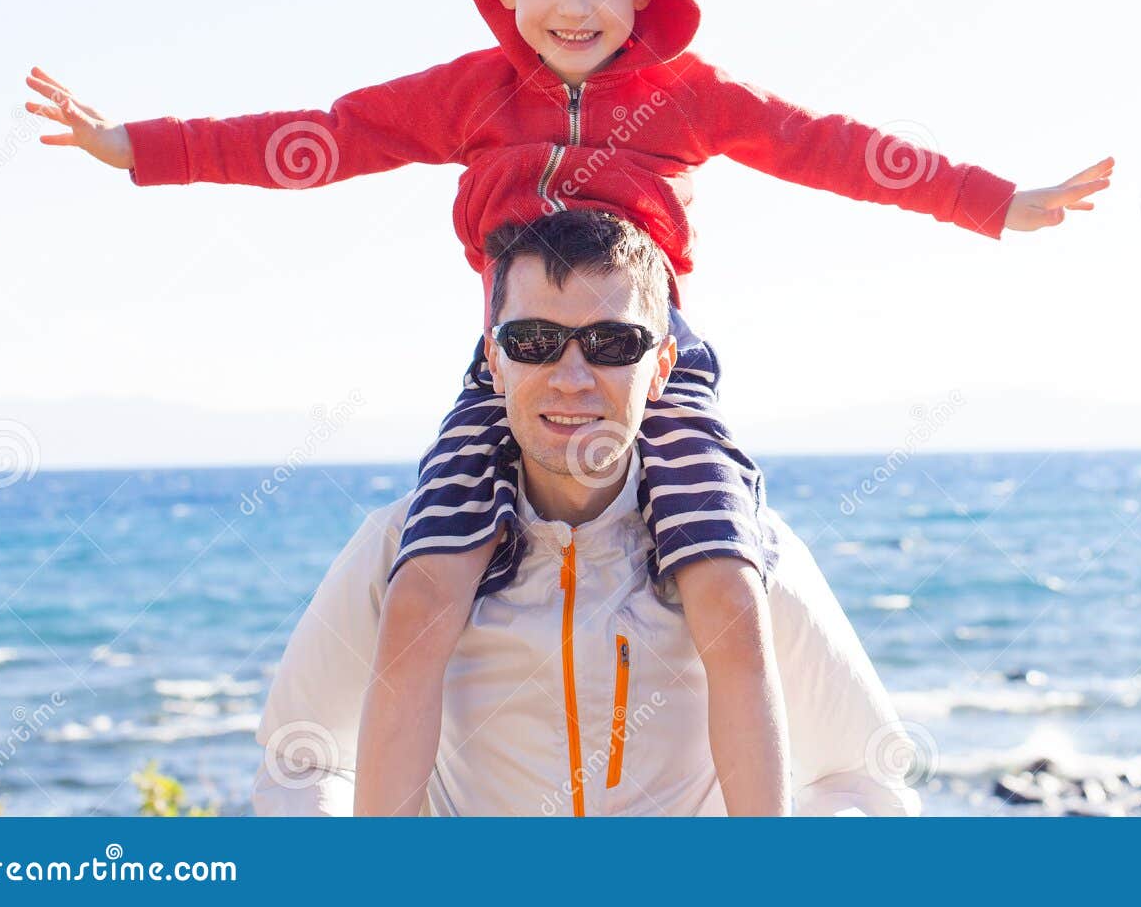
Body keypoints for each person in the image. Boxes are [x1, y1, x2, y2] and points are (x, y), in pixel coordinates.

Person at [24, 0, 1112, 815]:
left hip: (653, 371)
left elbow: (827, 146)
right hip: (511, 368)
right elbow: (324, 136)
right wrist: (140, 148)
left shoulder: (689, 93)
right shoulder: (471, 92)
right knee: (424, 587)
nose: (572, 5)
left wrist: (993, 201)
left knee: (729, 589)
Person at [252, 209, 920, 816]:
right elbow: (303, 765)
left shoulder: (746, 552)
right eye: (533, 340)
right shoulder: (401, 546)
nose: (571, 378)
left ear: (662, 367)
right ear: (494, 361)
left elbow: (859, 778)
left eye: (612, 343)